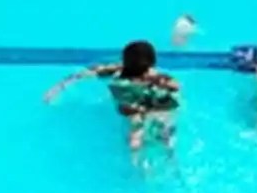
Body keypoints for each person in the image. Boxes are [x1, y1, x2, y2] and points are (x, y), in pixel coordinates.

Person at [43, 40, 180, 152]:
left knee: (135, 131)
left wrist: (57, 88)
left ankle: (138, 168)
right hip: (155, 102)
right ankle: (169, 156)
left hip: (131, 103)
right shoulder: (158, 77)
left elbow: (84, 73)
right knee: (163, 130)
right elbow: (175, 87)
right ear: (152, 61)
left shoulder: (117, 71)